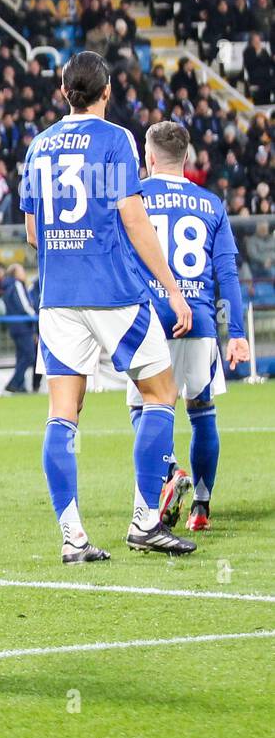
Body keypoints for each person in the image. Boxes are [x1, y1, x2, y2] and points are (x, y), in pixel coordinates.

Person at [19, 51, 196, 564]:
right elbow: (134, 220)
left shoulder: (38, 145)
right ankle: (144, 521)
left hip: (58, 297)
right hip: (114, 291)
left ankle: (73, 537)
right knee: (161, 393)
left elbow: (33, 233)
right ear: (107, 91)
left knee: (63, 412)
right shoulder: (116, 139)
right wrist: (171, 287)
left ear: (62, 88)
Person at [125, 121, 250, 532]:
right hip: (197, 321)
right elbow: (227, 275)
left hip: (148, 320)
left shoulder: (135, 198)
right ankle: (200, 507)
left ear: (150, 157)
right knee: (202, 413)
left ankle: (169, 472)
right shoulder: (211, 204)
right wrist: (236, 333)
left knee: (143, 408)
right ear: (187, 159)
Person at [1, 264, 37, 394]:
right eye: (21, 270)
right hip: (23, 326)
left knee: (21, 356)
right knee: (29, 355)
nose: (24, 273)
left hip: (15, 326)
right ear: (15, 273)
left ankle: (20, 386)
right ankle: (14, 383)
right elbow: (24, 305)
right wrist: (35, 316)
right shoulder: (16, 285)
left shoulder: (8, 286)